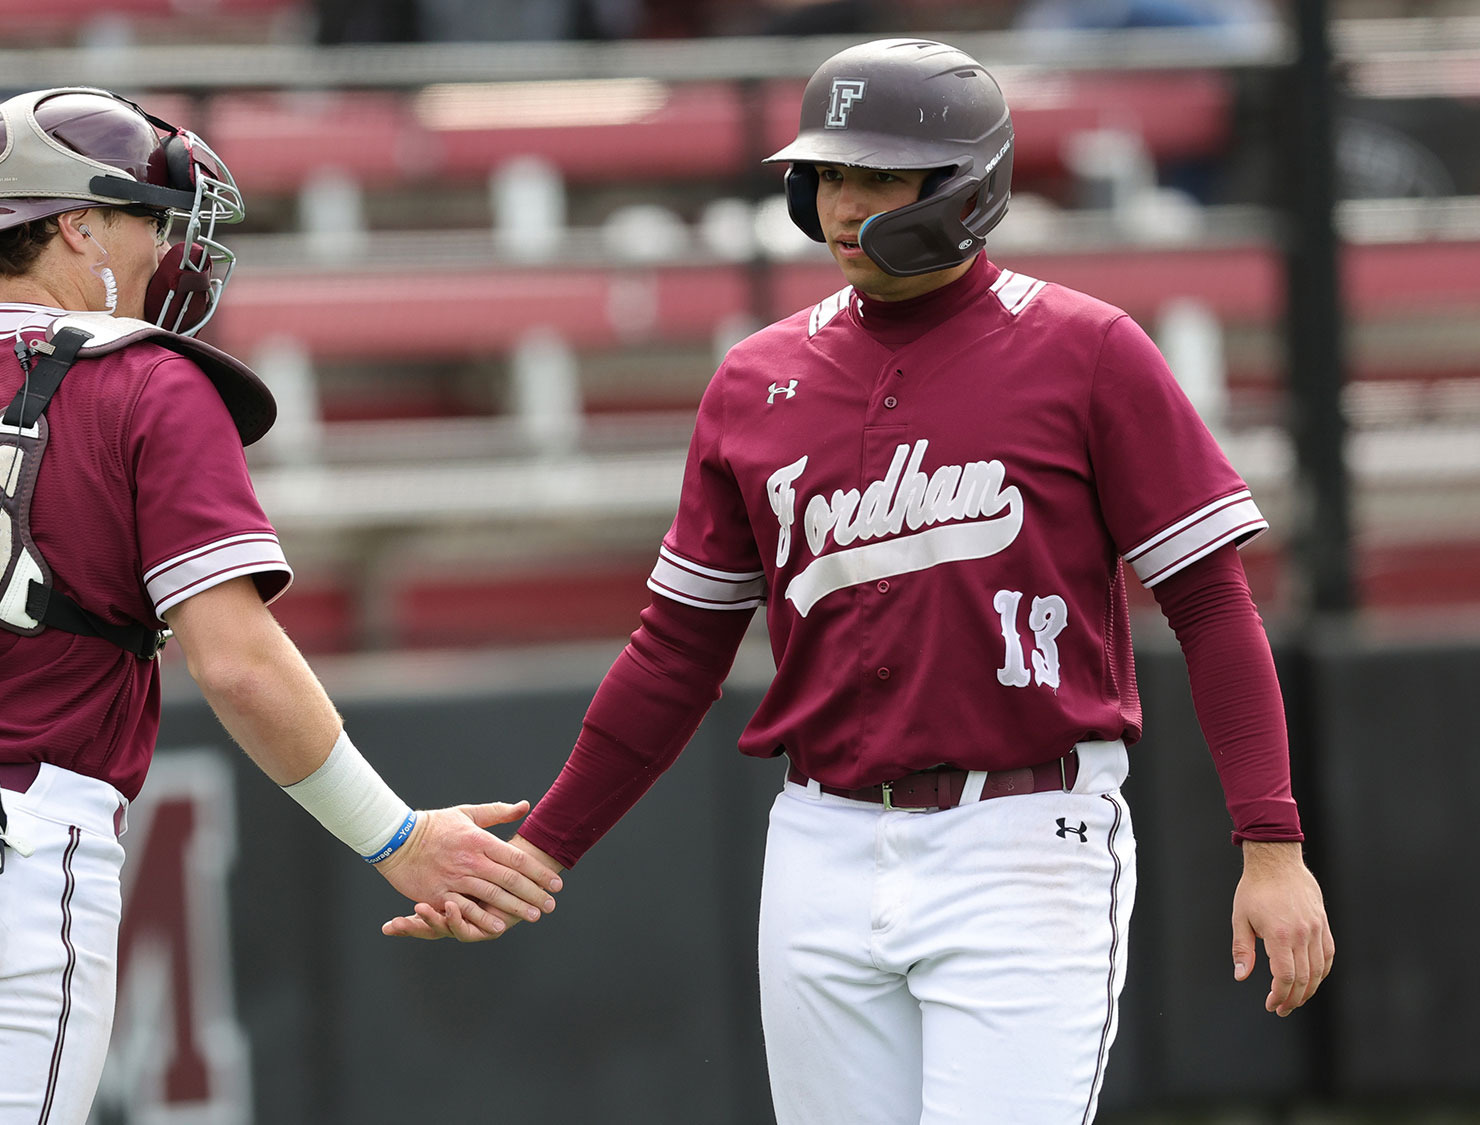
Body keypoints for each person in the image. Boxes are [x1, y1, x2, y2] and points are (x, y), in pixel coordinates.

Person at [385, 39, 1334, 1123]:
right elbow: (675, 650)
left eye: (879, 176)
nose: (843, 203)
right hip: (820, 844)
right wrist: (541, 850)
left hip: (1024, 842)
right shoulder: (754, 378)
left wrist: (1271, 843)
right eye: (829, 173)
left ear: (965, 188)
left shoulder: (1087, 351)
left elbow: (1210, 604)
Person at [0, 87, 562, 1123]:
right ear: (77, 225)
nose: (167, 250)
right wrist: (396, 839)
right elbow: (238, 663)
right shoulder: (149, 385)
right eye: (147, 220)